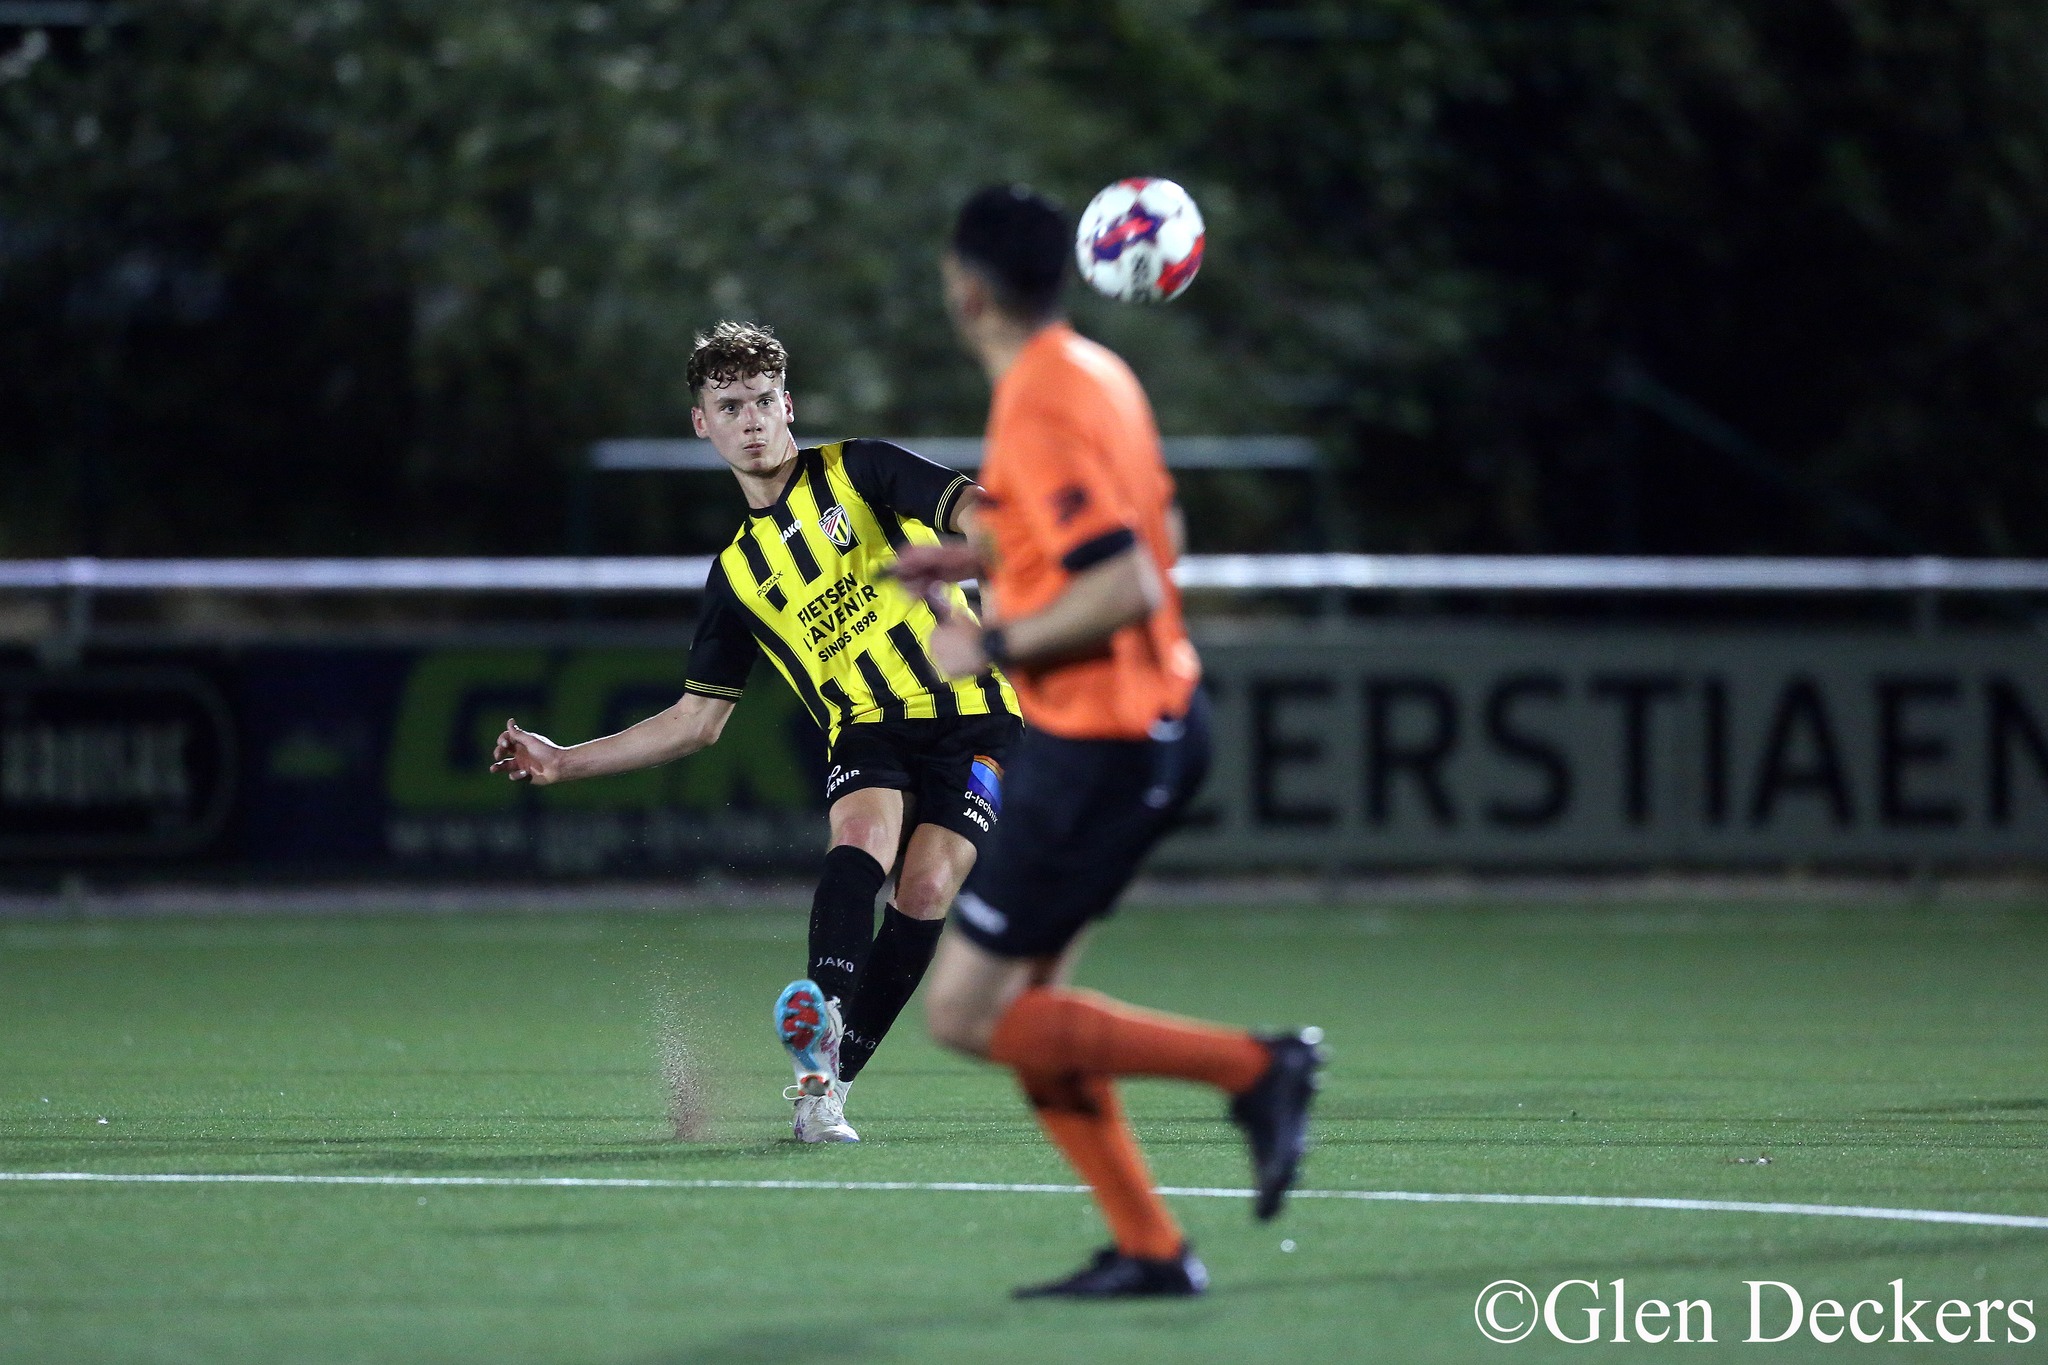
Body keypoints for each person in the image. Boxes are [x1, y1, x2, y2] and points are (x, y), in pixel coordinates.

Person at [891, 186, 1324, 1299]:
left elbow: (1127, 580)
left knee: (965, 1015)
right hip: (1140, 730)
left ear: (968, 288)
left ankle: (1256, 1070)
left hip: (1105, 744)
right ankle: (1146, 1248)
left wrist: (994, 640)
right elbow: (1155, 527)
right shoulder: (1094, 374)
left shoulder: (1036, 395)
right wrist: (984, 553)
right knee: (1034, 1013)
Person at [492, 320, 1021, 1144]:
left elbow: (975, 508)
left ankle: (830, 1084)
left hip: (978, 717)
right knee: (861, 839)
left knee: (923, 891)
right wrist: (565, 762)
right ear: (702, 422)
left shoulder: (862, 469)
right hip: (868, 730)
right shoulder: (736, 575)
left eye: (764, 401)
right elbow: (697, 721)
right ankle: (816, 1066)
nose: (751, 419)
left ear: (789, 405)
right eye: (730, 405)